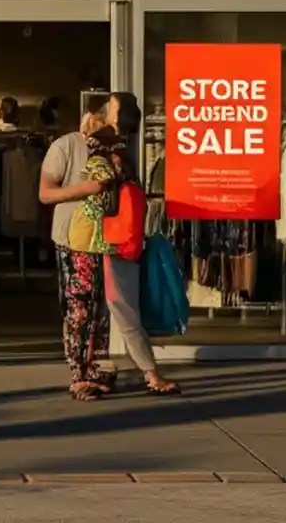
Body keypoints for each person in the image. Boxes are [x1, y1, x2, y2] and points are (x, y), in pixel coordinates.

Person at [85, 93, 180, 397]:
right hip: (120, 236)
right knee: (118, 305)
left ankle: (148, 371)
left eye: (110, 106)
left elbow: (103, 181)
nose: (104, 110)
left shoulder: (105, 143)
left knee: (120, 306)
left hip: (111, 237)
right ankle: (146, 371)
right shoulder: (124, 146)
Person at [40, 105, 114, 401]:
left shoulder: (116, 150)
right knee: (79, 305)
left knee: (103, 306)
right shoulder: (66, 146)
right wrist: (90, 188)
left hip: (108, 238)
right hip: (74, 238)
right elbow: (45, 193)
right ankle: (79, 372)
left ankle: (95, 366)